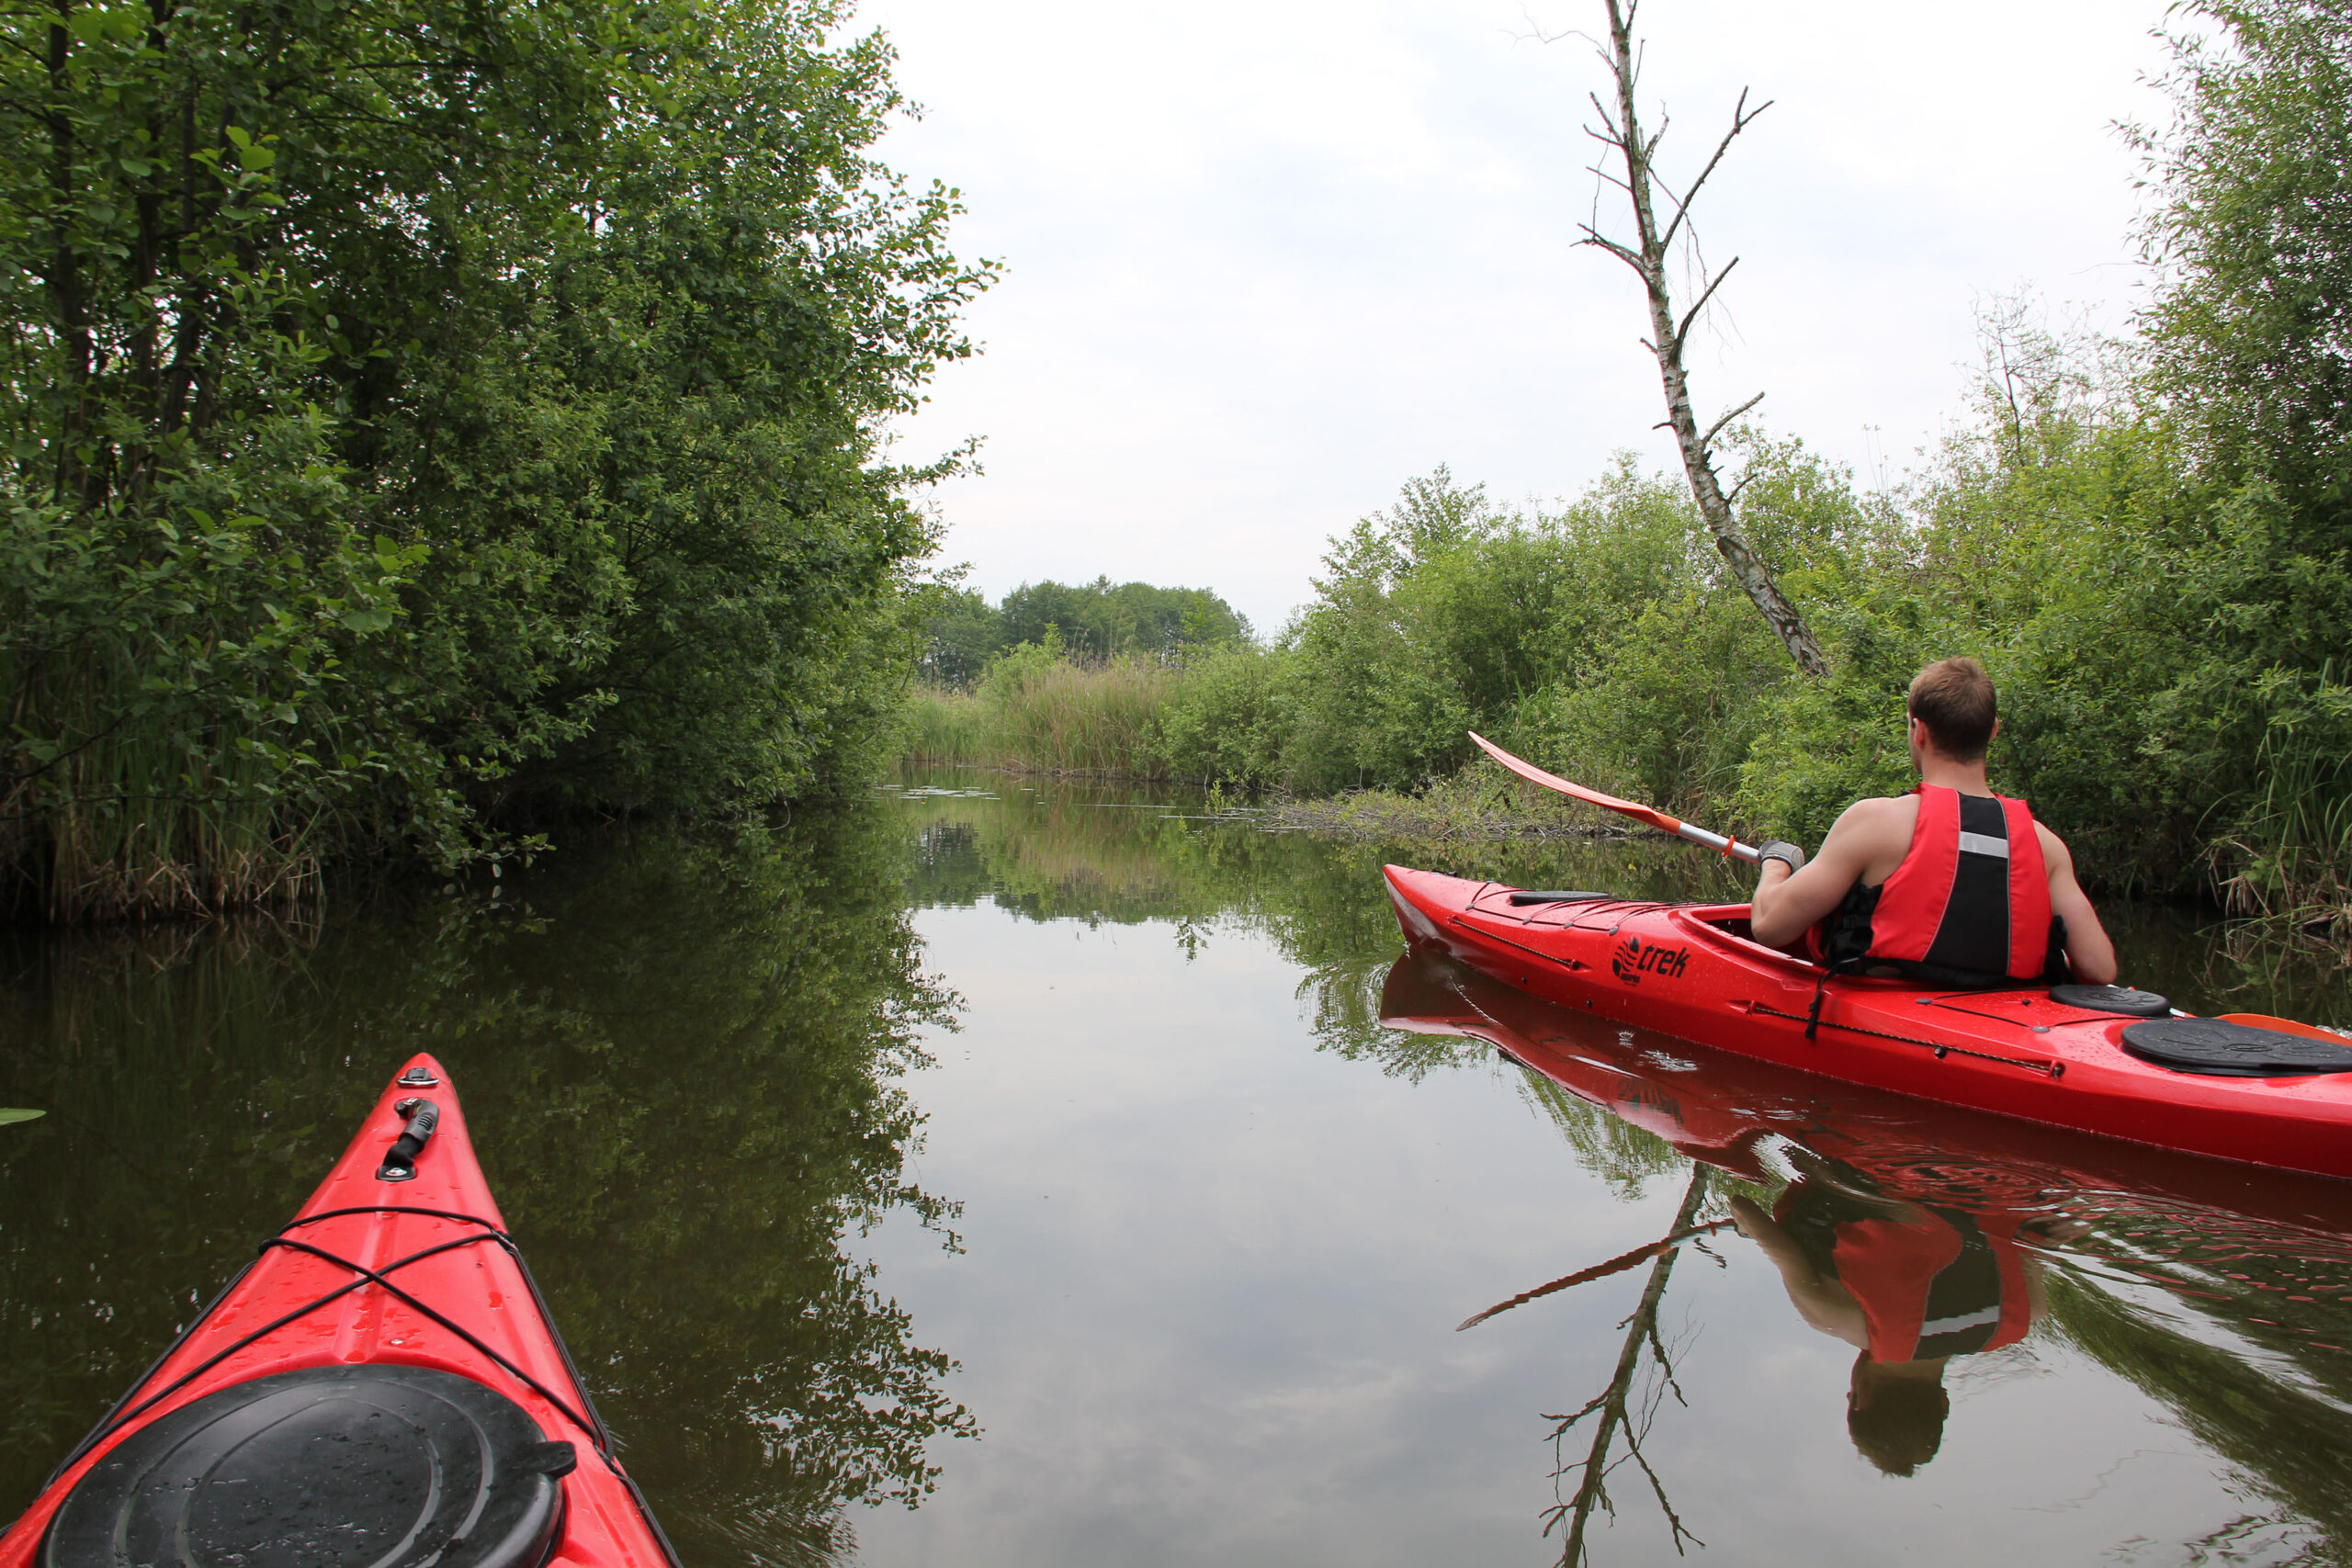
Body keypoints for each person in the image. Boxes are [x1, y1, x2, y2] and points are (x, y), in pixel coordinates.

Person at [1747, 657, 2117, 987]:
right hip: (2012, 1031)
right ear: (1992, 731)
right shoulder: (2044, 844)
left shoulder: (1874, 823)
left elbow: (1769, 927)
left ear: (1918, 730)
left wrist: (1778, 864)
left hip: (1892, 1025)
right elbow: (2099, 970)